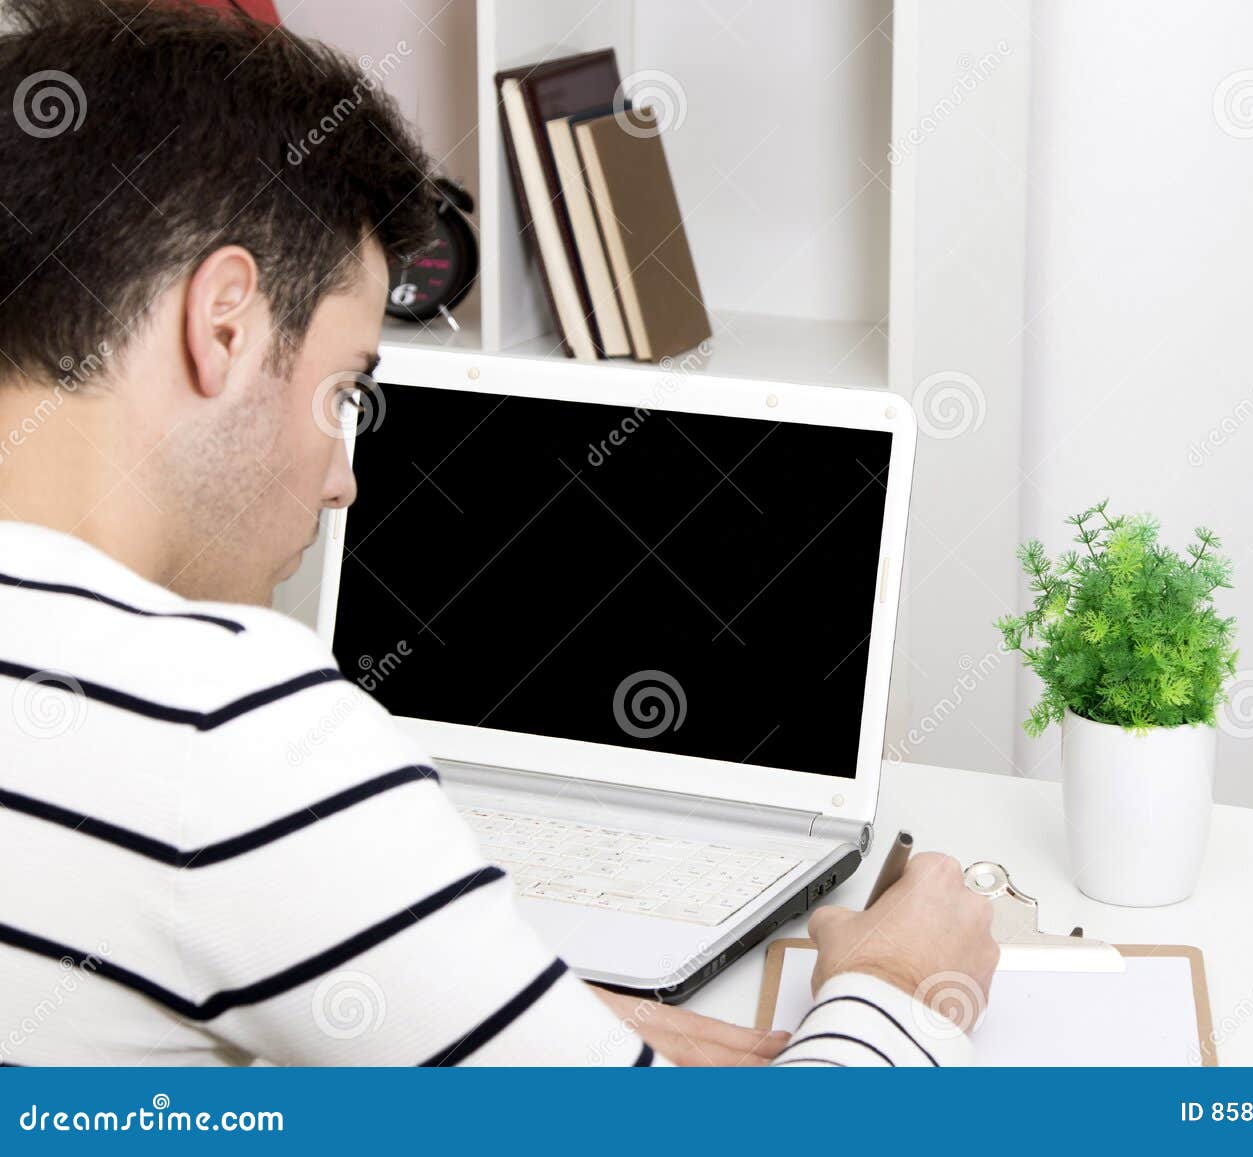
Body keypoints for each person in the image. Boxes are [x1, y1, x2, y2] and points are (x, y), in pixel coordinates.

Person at [0, 0, 999, 1066]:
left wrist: (510, 1016)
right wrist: (897, 986)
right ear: (225, 324)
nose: (345, 483)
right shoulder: (227, 731)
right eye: (344, 391)